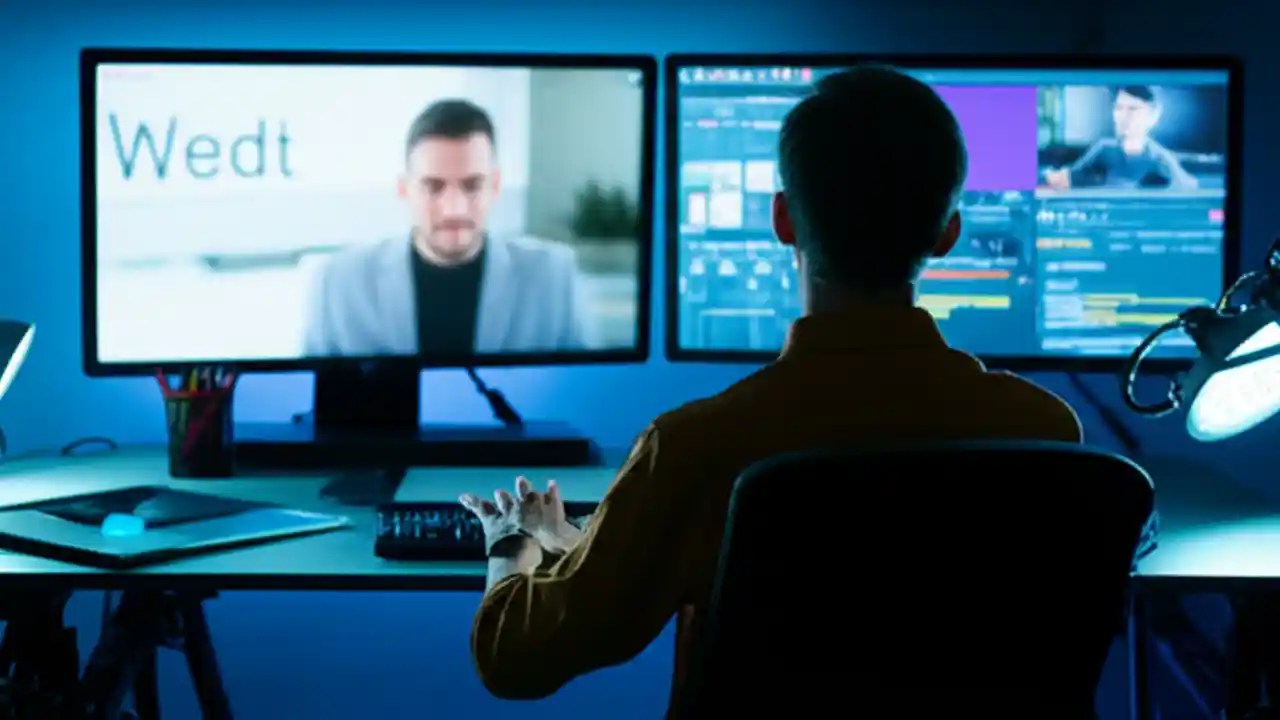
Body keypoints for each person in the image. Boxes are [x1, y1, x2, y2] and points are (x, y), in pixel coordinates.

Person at [458, 65, 1084, 717]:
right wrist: (596, 542)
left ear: (782, 220)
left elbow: (514, 660)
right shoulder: (1045, 433)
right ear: (948, 232)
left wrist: (515, 543)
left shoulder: (697, 449)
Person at [302, 99, 591, 357]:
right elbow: (307, 404)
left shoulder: (554, 276)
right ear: (404, 189)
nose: (454, 208)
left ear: (496, 185)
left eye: (472, 185)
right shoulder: (339, 282)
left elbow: (584, 395)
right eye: (433, 187)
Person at [1043, 85, 1198, 191]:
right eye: (1118, 108)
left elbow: (1189, 189)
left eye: (1133, 109)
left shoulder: (1161, 160)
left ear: (1153, 116)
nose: (1123, 117)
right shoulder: (1104, 149)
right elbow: (1069, 178)